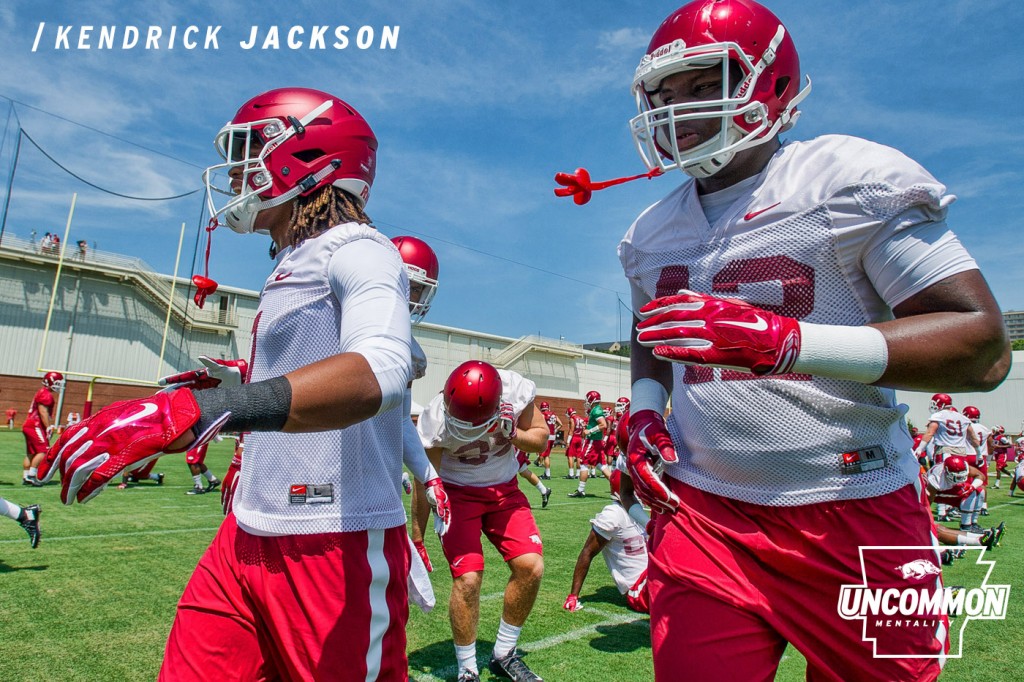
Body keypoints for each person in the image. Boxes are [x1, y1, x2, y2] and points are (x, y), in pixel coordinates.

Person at [600, 1, 1010, 678]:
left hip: (856, 508)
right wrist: (645, 405)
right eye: (666, 94)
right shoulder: (648, 232)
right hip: (706, 513)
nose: (679, 110)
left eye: (705, 85)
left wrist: (791, 344)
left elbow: (982, 345)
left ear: (773, 84)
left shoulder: (848, 178)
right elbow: (653, 333)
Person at [40, 87, 414, 681]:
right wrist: (240, 380)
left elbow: (382, 370)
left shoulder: (360, 247)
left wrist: (212, 406)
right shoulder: (296, 258)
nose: (238, 169)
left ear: (309, 155)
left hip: (333, 539)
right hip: (247, 530)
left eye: (251, 149)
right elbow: (309, 365)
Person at [418, 360, 549, 682]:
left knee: (531, 567)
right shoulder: (435, 417)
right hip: (457, 494)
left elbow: (541, 438)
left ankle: (504, 653)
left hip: (504, 489)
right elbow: (426, 480)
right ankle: (467, 669)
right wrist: (417, 539)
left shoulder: (516, 390)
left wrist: (514, 433)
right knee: (468, 579)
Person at [563, 469, 650, 614]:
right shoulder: (613, 514)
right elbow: (587, 553)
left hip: (651, 575)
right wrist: (573, 595)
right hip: (639, 587)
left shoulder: (637, 512)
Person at [22, 371, 62, 485]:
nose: (59, 386)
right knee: (43, 451)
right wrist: (48, 427)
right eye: (58, 383)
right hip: (35, 425)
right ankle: (31, 475)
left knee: (31, 453)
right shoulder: (46, 394)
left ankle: (26, 476)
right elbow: (43, 411)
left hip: (29, 424)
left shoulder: (42, 392)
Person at [568, 390, 608, 498]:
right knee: (602, 466)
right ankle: (618, 487)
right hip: (596, 441)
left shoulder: (596, 411)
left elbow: (603, 425)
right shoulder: (595, 409)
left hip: (593, 441)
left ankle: (581, 490)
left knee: (584, 463)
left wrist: (590, 431)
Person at [534, 401, 561, 479]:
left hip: (546, 436)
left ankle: (548, 474)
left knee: (545, 456)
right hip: (553, 436)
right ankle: (546, 473)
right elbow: (560, 424)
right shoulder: (553, 414)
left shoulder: (543, 414)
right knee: (546, 455)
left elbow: (540, 425)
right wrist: (555, 430)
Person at [563, 407, 584, 479]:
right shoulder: (581, 419)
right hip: (580, 438)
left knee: (570, 456)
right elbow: (584, 429)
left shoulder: (572, 418)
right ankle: (578, 474)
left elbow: (571, 430)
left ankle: (571, 474)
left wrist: (568, 441)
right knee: (578, 456)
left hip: (574, 438)